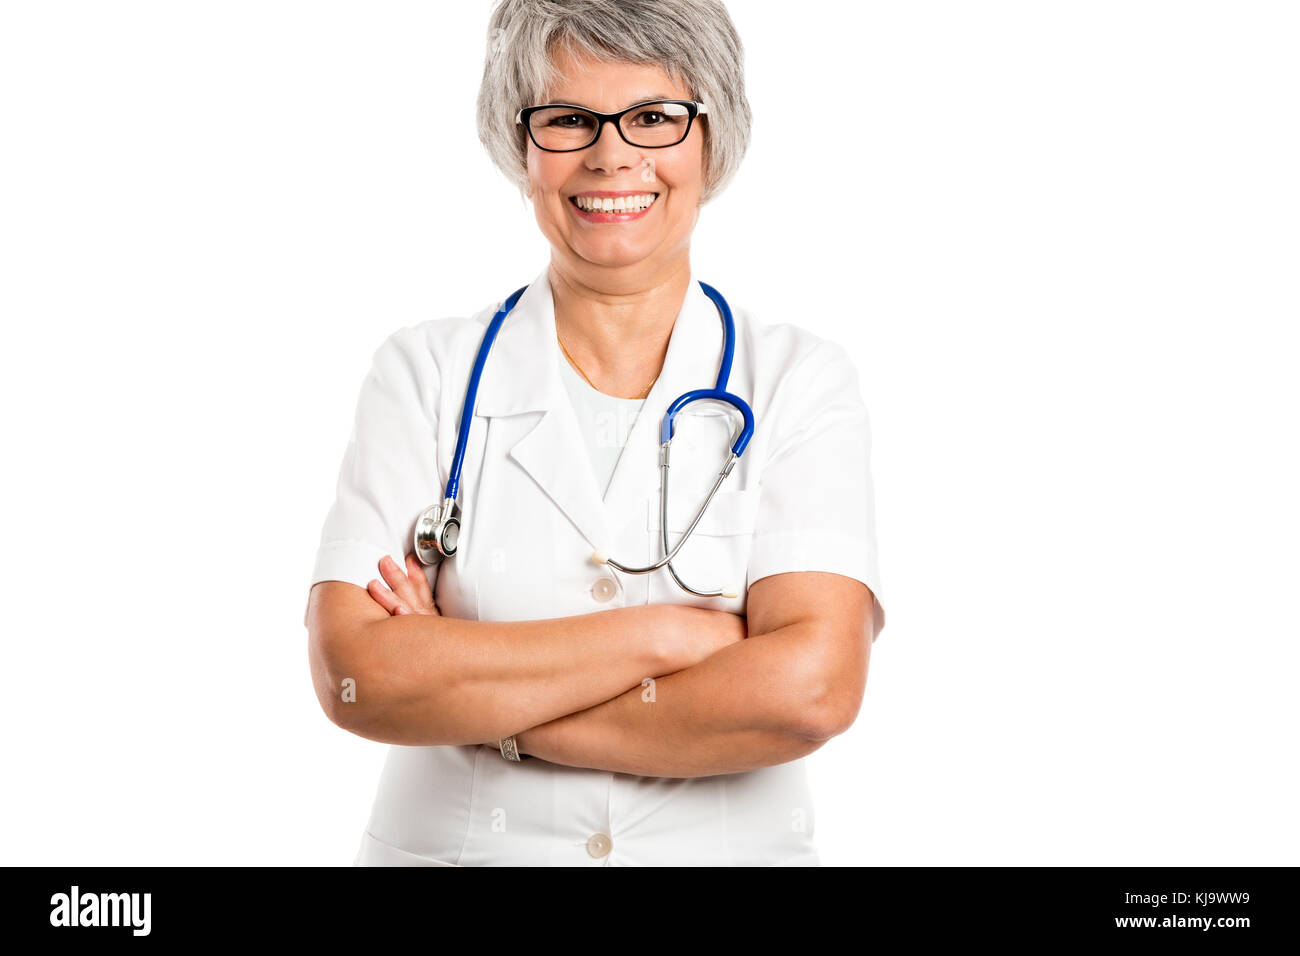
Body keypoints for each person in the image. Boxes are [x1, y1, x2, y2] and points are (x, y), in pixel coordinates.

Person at [304, 0, 886, 866]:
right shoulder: (424, 374)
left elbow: (809, 691)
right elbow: (359, 679)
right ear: (521, 144)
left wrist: (493, 715)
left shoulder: (798, 382)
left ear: (711, 139)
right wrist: (670, 637)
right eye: (570, 119)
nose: (613, 155)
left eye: (654, 117)